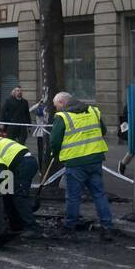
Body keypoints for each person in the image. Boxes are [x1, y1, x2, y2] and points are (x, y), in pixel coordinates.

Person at [51, 91, 114, 241]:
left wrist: (55, 153)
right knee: (99, 194)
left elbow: (55, 140)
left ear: (62, 103)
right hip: (95, 159)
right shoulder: (93, 111)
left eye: (56, 106)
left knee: (73, 196)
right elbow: (103, 130)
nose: (56, 109)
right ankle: (107, 227)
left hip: (75, 162)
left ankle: (69, 227)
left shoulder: (63, 117)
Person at [0, 134, 42, 237]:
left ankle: (32, 228)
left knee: (19, 196)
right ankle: (15, 225)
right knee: (7, 194)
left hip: (22, 163)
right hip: (13, 166)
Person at [30, 96, 51, 168]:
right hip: (40, 132)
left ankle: (47, 165)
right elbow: (31, 110)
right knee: (40, 150)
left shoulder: (49, 109)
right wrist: (38, 104)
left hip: (48, 132)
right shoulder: (39, 109)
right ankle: (40, 166)